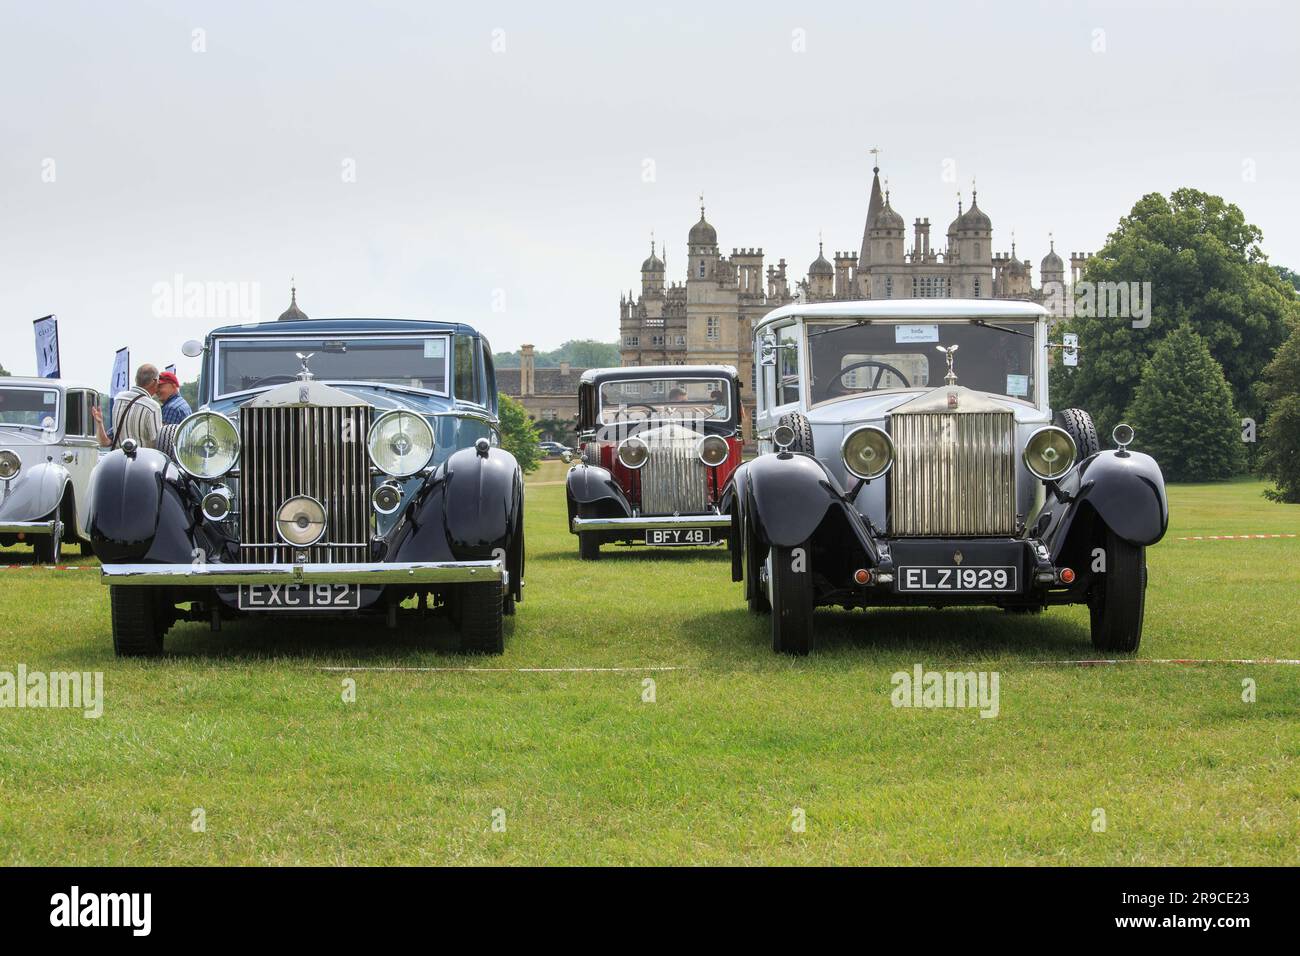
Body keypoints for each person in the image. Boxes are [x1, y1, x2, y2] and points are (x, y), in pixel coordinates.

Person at [93, 363, 163, 450]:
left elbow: (104, 442)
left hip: (119, 460)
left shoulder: (118, 399)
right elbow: (158, 443)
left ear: (136, 379)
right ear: (154, 381)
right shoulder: (153, 407)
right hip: (141, 461)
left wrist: (100, 423)